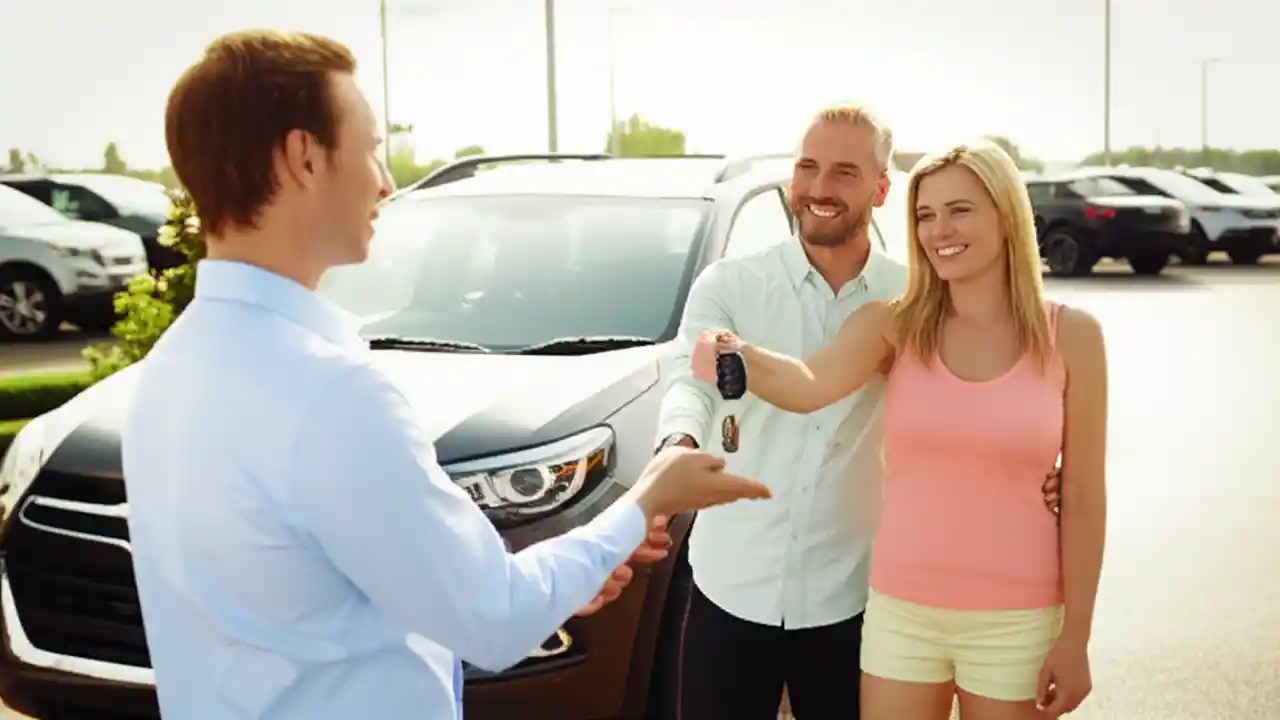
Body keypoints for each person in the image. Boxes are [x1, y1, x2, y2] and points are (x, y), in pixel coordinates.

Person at [119, 30, 770, 720]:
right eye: (370, 147)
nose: (386, 181)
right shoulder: (331, 395)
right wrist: (645, 500)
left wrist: (559, 574)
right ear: (304, 157)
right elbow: (494, 618)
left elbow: (316, 597)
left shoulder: (167, 371)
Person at [654, 103, 1060, 719]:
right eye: (807, 167)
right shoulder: (729, 285)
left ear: (881, 189)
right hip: (730, 585)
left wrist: (1034, 475)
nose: (820, 188)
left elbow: (978, 401)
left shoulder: (915, 301)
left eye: (844, 172)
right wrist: (676, 448)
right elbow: (693, 382)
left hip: (854, 597)